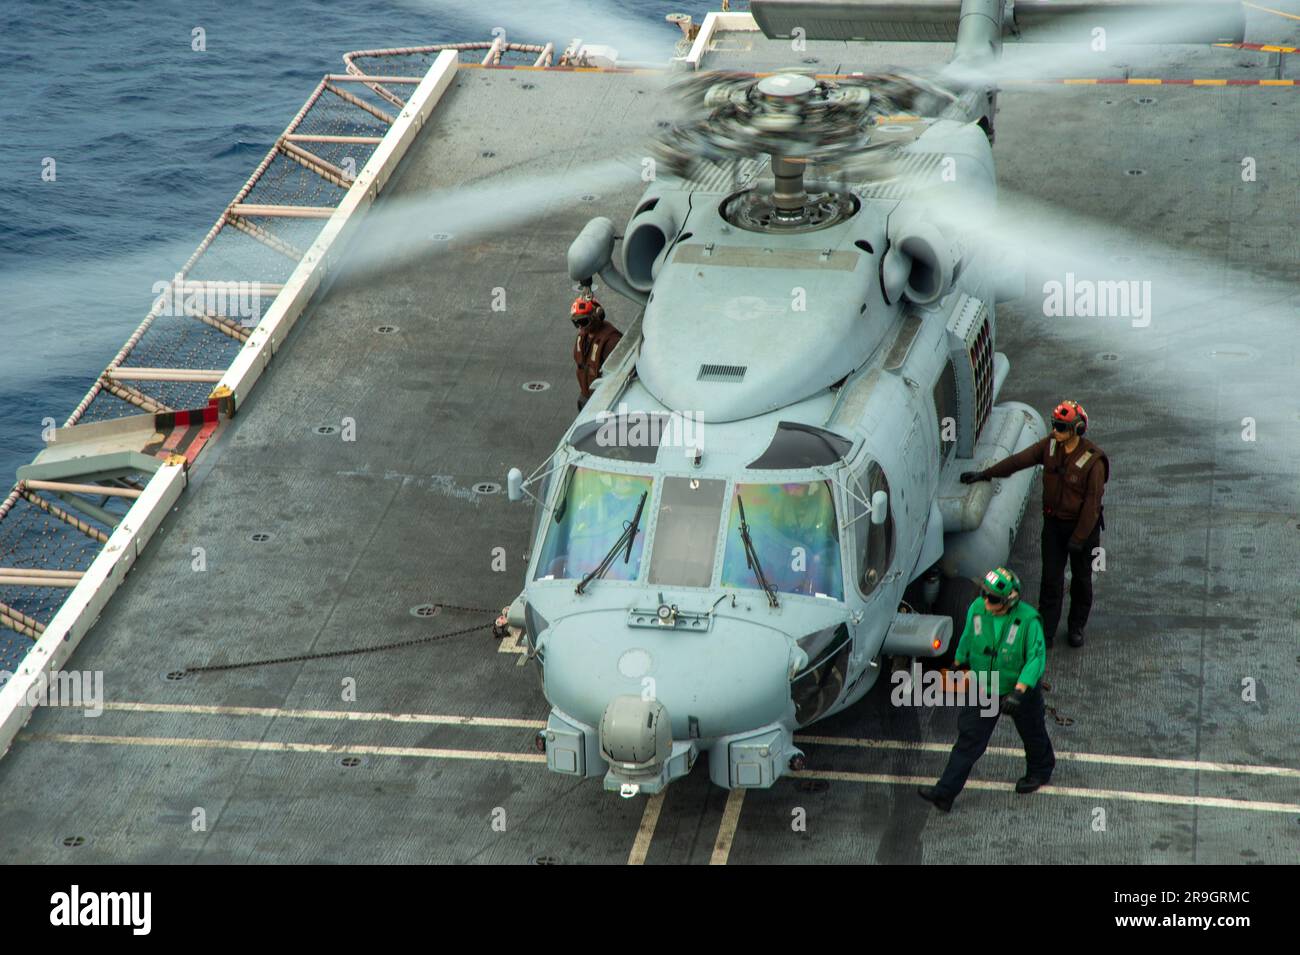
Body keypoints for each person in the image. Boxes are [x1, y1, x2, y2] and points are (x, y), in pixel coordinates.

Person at [960, 399, 1108, 647]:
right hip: (1054, 527)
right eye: (1054, 425)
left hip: (1083, 530)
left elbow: (1092, 506)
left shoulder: (1094, 462)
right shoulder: (1049, 447)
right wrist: (986, 474)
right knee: (1051, 581)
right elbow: (1019, 461)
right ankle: (1046, 632)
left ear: (1077, 429)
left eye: (1061, 427)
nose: (1055, 431)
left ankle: (1076, 627)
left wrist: (1079, 539)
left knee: (1082, 581)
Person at [917, 566, 1055, 813]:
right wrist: (958, 662)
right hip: (984, 686)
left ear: (1009, 600)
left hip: (1016, 688)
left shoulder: (1028, 621)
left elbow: (1035, 658)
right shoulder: (978, 610)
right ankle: (945, 792)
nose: (985, 600)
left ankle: (1040, 770)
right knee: (969, 739)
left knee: (1033, 732)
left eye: (991, 597)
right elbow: (968, 637)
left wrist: (1019, 691)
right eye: (983, 593)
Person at [571, 291, 622, 410]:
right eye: (576, 323)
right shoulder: (583, 336)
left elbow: (616, 376)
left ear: (595, 316)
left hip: (600, 401)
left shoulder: (611, 341)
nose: (580, 327)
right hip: (585, 395)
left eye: (583, 321)